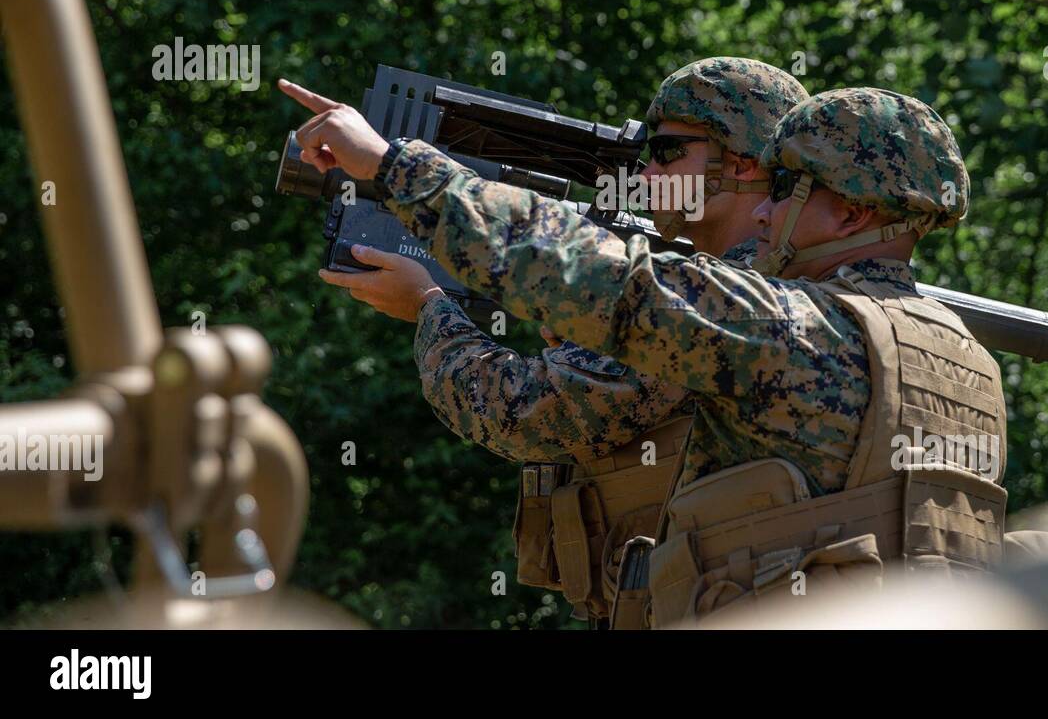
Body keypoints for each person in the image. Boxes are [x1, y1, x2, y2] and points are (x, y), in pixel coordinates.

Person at [280, 80, 1008, 628]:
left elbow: (598, 281)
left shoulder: (787, 330)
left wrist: (394, 167)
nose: (761, 210)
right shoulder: (967, 361)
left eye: (786, 189)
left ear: (851, 211)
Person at [303, 58, 809, 625]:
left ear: (740, 166)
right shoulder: (758, 285)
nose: (644, 176)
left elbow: (521, 411)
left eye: (668, 152)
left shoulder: (724, 303)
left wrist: (427, 308)